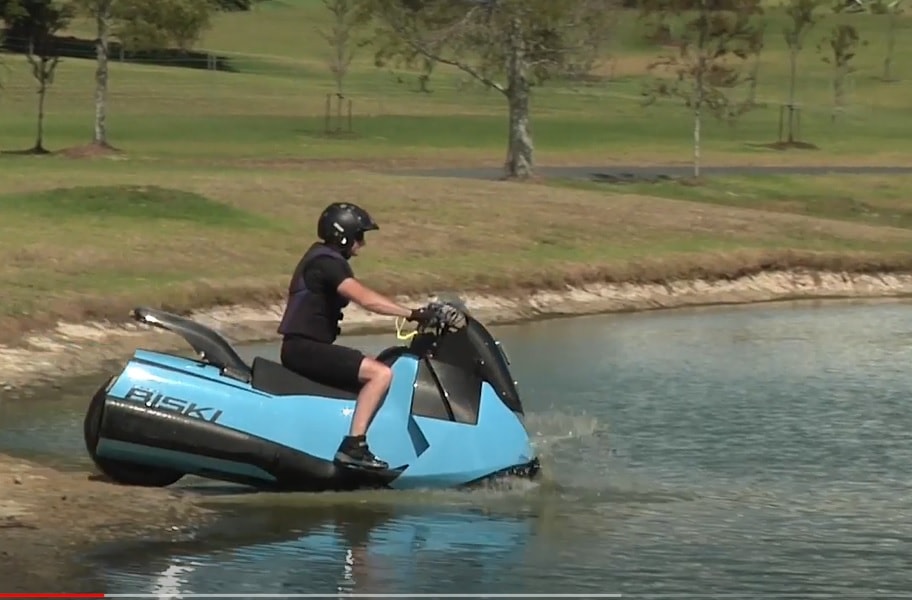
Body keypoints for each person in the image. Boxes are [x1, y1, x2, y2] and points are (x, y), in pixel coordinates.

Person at [277, 201, 465, 471]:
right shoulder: (327, 264)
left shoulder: (321, 257)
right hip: (304, 349)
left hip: (303, 348)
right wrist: (413, 313)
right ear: (342, 236)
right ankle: (353, 447)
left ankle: (358, 438)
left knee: (376, 367)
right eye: (359, 236)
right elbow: (366, 300)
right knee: (381, 374)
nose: (362, 244)